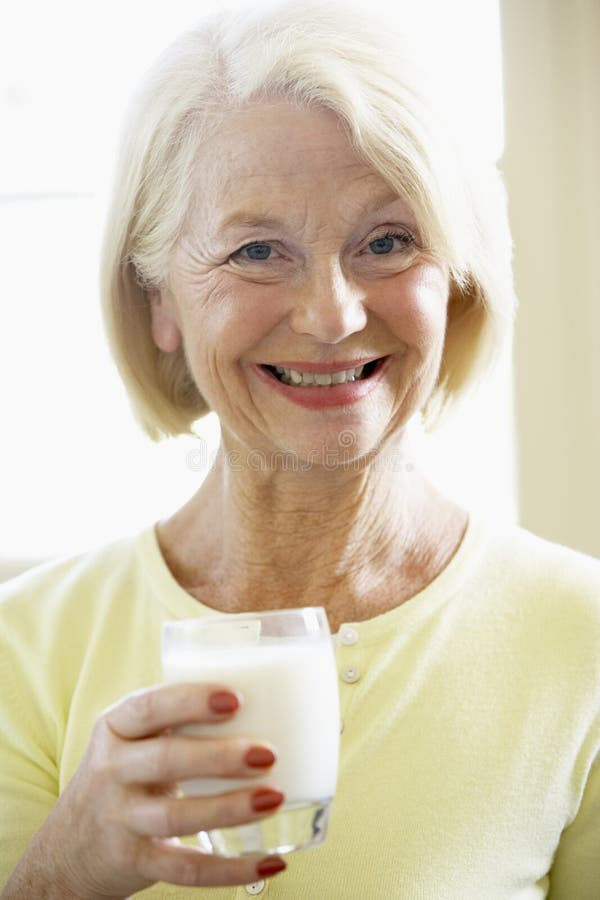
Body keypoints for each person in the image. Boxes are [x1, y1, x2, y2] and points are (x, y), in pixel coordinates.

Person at [1, 2, 599, 897]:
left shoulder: (581, 637)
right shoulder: (25, 649)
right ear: (159, 299)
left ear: (456, 278)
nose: (333, 315)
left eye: (388, 242)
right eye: (256, 251)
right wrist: (62, 871)